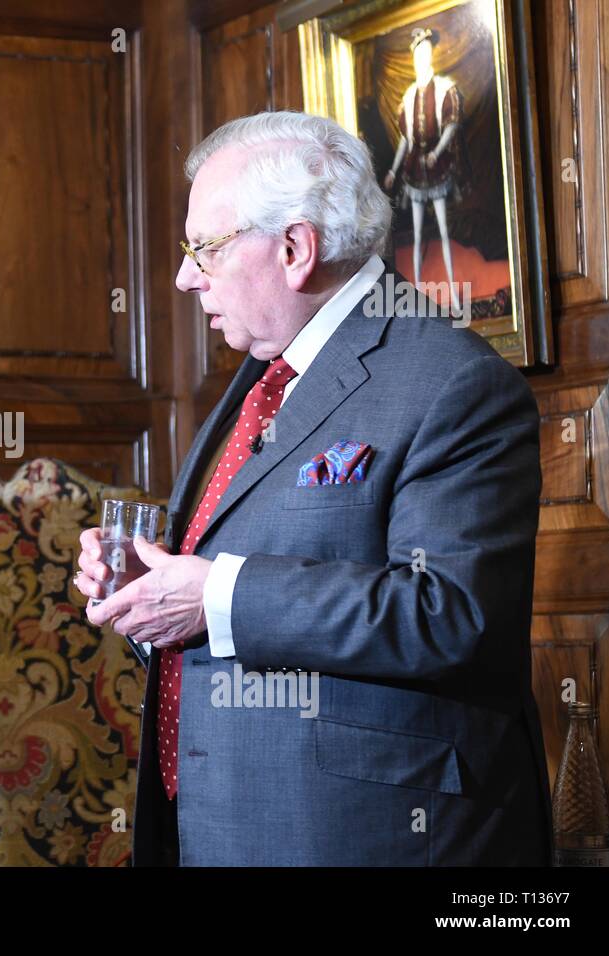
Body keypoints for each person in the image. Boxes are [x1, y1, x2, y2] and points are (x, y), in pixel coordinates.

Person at [75, 110, 550, 866]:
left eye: (204, 248)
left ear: (296, 248)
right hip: (219, 823)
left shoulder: (455, 384)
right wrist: (151, 591)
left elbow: (451, 616)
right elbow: (240, 591)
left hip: (365, 836)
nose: (185, 275)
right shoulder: (262, 375)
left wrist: (213, 595)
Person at [382, 27, 466, 315]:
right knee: (417, 236)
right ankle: (417, 298)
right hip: (415, 170)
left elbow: (451, 126)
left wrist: (437, 152)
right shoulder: (407, 96)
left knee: (443, 231)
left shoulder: (444, 88)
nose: (423, 58)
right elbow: (405, 140)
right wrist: (394, 170)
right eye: (418, 54)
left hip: (436, 166)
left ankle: (454, 293)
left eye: (426, 53)